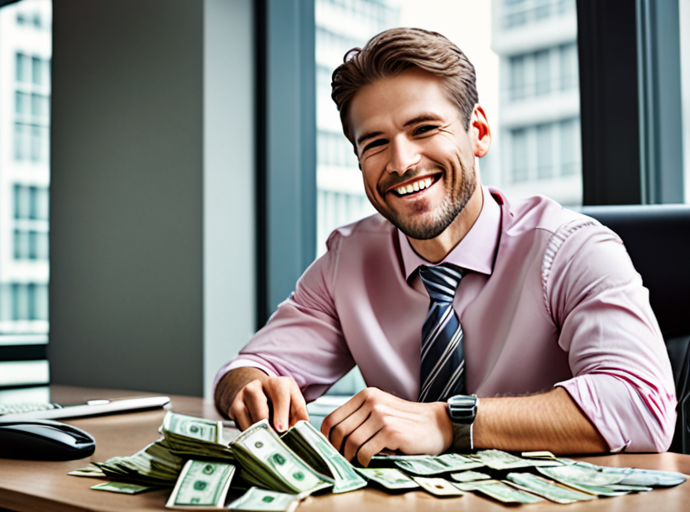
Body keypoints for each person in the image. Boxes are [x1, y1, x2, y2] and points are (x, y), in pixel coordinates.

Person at [213, 28, 677, 467]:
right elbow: (247, 368)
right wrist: (253, 389)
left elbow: (642, 405)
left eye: (423, 128)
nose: (402, 162)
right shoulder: (346, 261)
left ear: (478, 132)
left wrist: (447, 422)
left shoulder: (574, 249)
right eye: (375, 143)